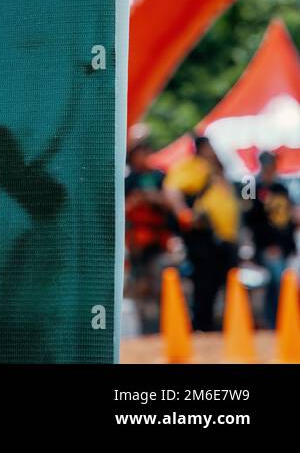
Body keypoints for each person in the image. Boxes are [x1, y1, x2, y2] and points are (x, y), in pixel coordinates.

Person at [165, 136, 240, 331]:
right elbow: (172, 189)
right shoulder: (191, 166)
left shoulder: (216, 170)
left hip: (224, 238)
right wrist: (184, 214)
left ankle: (222, 324)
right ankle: (202, 324)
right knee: (205, 282)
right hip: (204, 235)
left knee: (227, 281)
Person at [124, 140, 175, 332]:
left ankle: (166, 326)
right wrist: (135, 200)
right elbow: (122, 209)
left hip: (158, 241)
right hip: (136, 243)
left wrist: (154, 197)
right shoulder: (129, 180)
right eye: (140, 152)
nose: (144, 156)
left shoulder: (159, 177)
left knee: (161, 282)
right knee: (140, 286)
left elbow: (171, 203)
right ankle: (146, 329)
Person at [243, 151, 297, 327]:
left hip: (284, 244)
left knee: (281, 283)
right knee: (275, 283)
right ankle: (273, 320)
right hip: (265, 245)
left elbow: (287, 218)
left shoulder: (281, 186)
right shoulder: (250, 183)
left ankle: (279, 320)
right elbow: (247, 216)